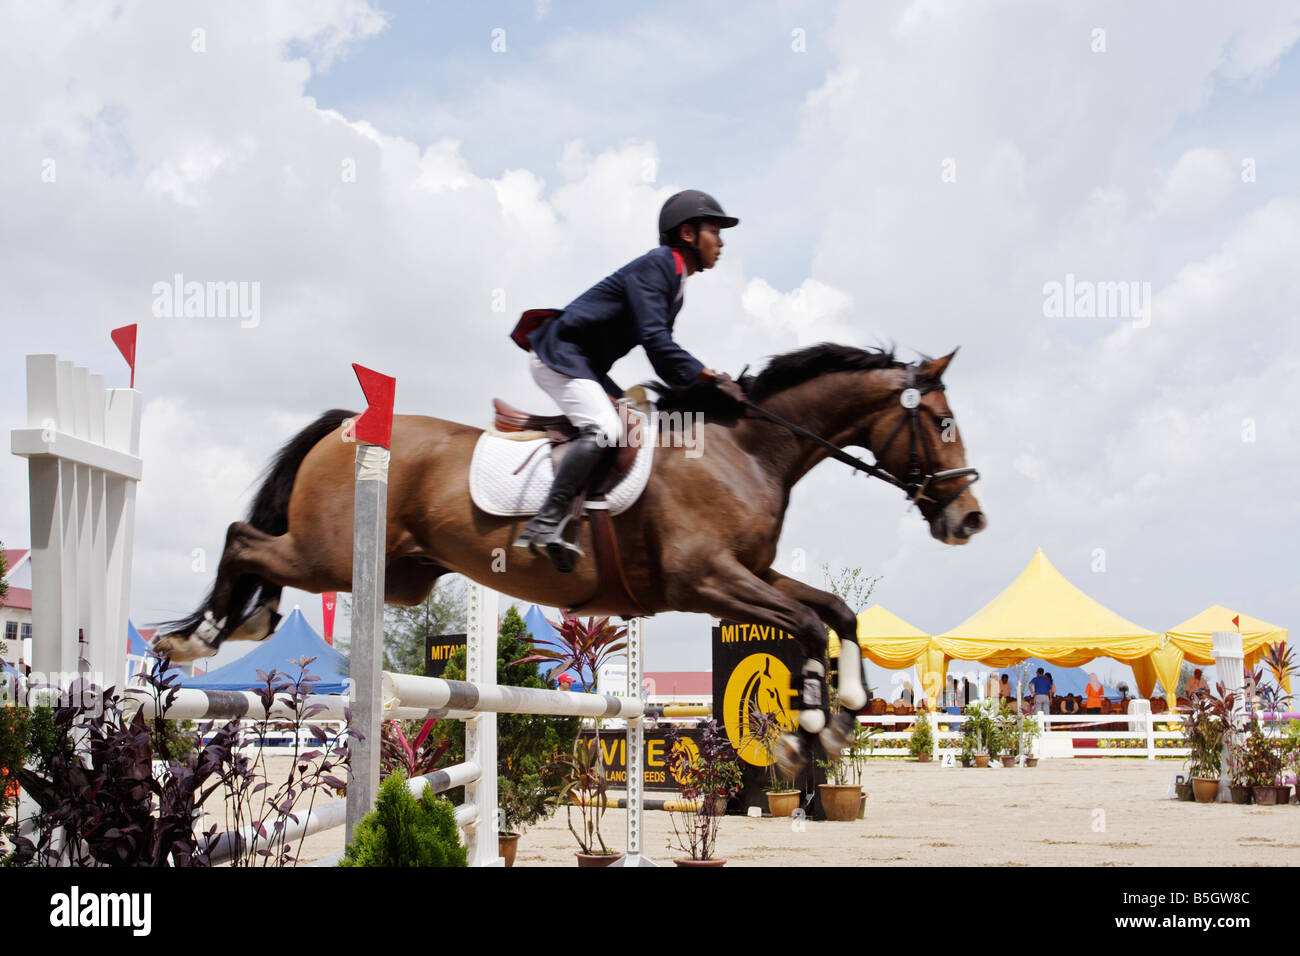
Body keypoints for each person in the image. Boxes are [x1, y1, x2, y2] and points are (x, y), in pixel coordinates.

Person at [511, 189, 745, 571]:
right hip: (559, 353)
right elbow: (656, 340)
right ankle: (546, 522)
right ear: (688, 233)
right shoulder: (659, 264)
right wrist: (708, 376)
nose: (720, 242)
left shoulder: (675, 283)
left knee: (642, 422)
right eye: (714, 231)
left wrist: (706, 390)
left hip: (585, 365)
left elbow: (665, 362)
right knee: (605, 427)